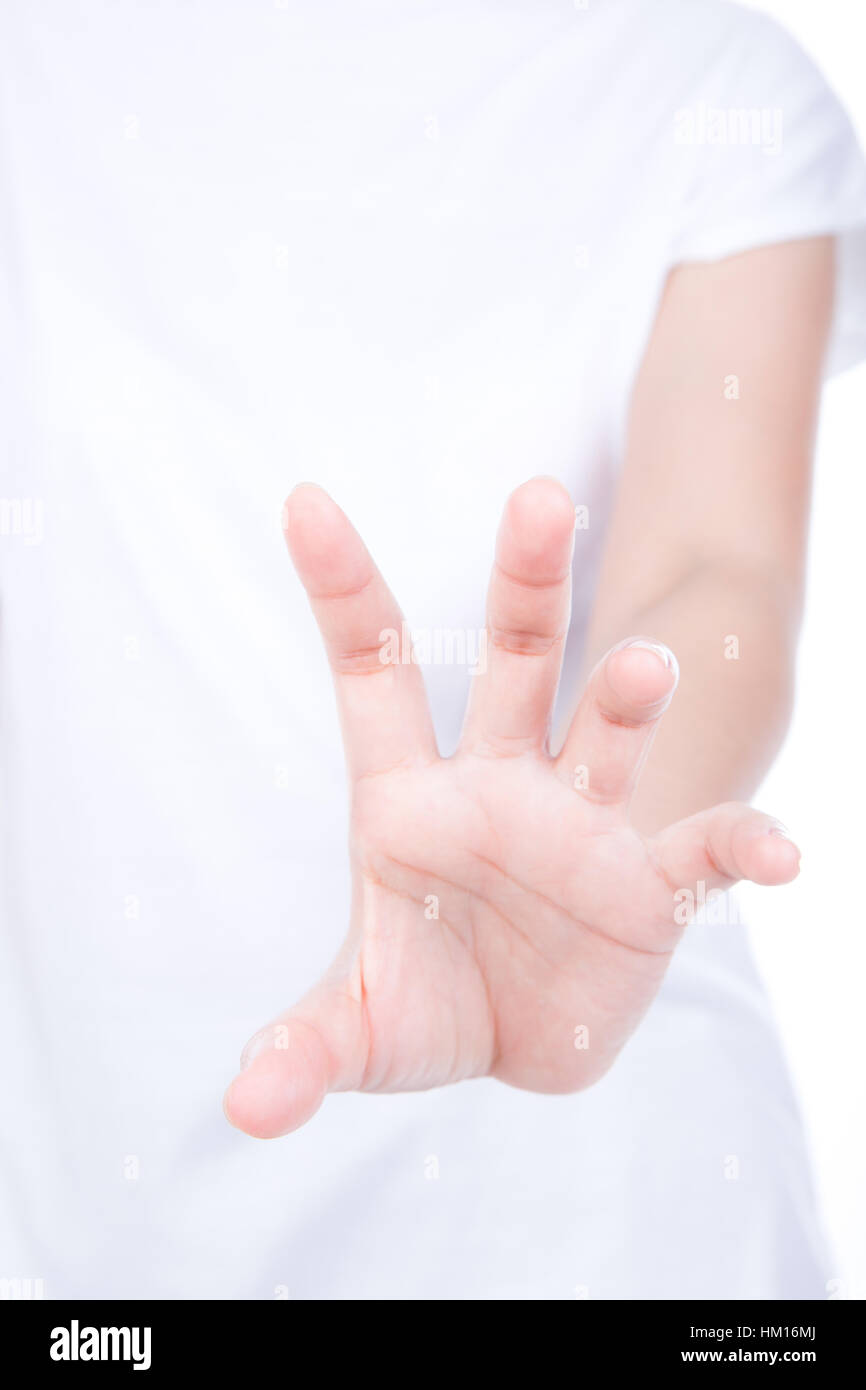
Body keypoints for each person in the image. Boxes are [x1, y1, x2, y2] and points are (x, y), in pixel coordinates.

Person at [1, 0, 865, 1300]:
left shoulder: (715, 79)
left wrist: (612, 830)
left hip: (623, 1220)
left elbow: (714, 567)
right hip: (117, 1242)